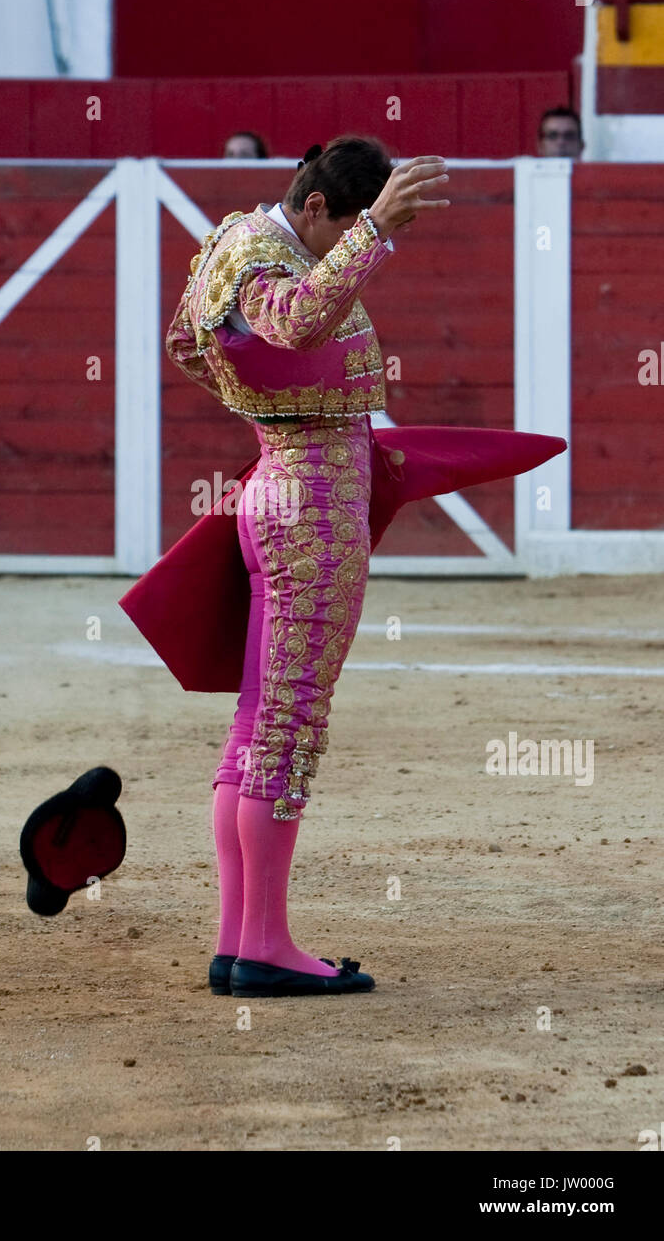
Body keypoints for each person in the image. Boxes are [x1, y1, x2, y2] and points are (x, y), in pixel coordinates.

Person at [125, 134, 564, 999]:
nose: (347, 250)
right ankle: (265, 949)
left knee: (259, 725)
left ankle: (239, 941)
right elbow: (291, 322)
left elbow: (188, 345)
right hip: (311, 507)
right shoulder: (267, 252)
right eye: (344, 229)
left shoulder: (233, 240)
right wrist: (375, 236)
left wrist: (269, 411)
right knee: (288, 728)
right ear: (318, 206)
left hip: (275, 483)